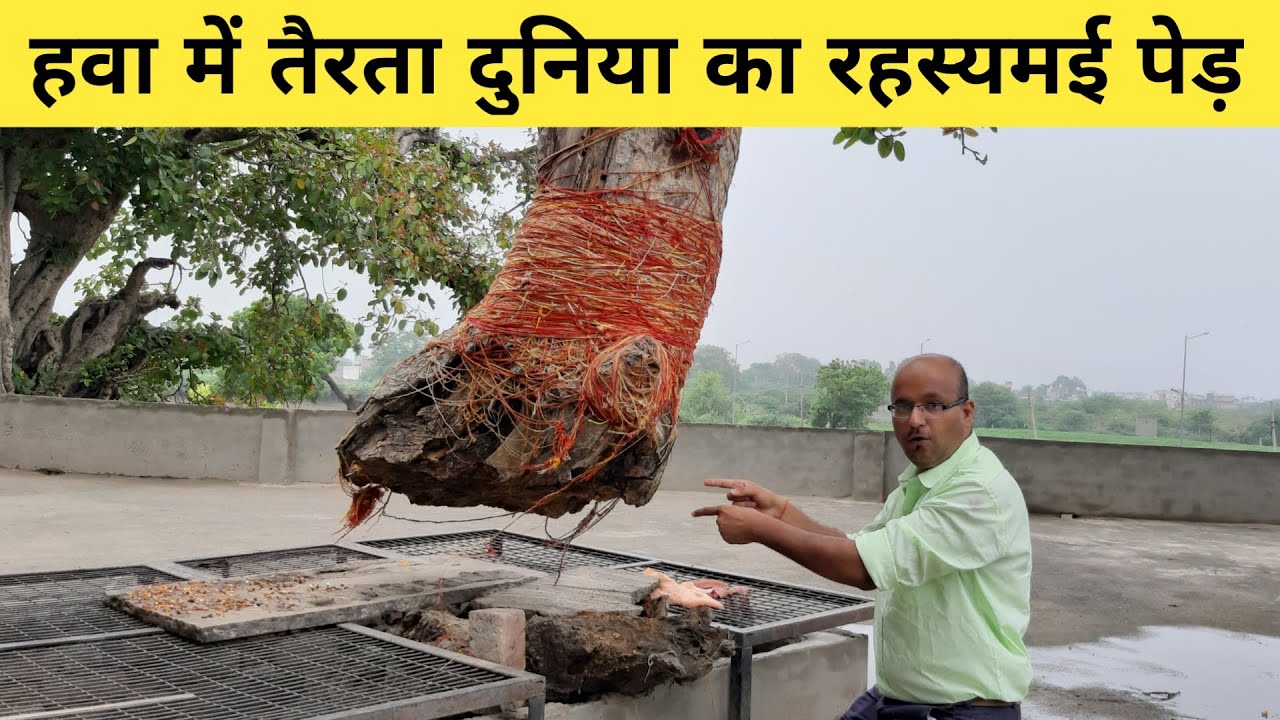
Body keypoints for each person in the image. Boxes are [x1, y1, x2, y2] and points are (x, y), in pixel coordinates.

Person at [692, 354, 1032, 720]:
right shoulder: (923, 482)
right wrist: (781, 512)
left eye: (933, 405)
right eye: (903, 407)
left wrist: (761, 530)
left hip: (964, 710)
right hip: (902, 696)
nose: (915, 420)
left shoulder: (979, 491)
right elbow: (857, 546)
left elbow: (862, 568)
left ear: (966, 412)